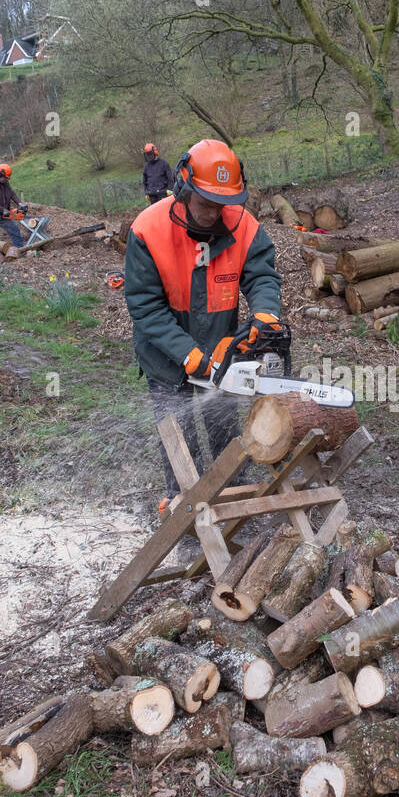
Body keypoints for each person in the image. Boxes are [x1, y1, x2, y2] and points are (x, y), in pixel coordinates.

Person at [125, 138, 283, 517]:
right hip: (164, 354)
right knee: (178, 434)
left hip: (219, 348)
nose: (214, 214)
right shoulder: (148, 230)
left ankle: (234, 495)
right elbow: (145, 307)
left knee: (222, 426)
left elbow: (262, 275)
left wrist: (264, 314)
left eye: (223, 205)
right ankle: (181, 505)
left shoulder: (243, 226)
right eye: (206, 204)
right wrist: (186, 354)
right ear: (183, 190)